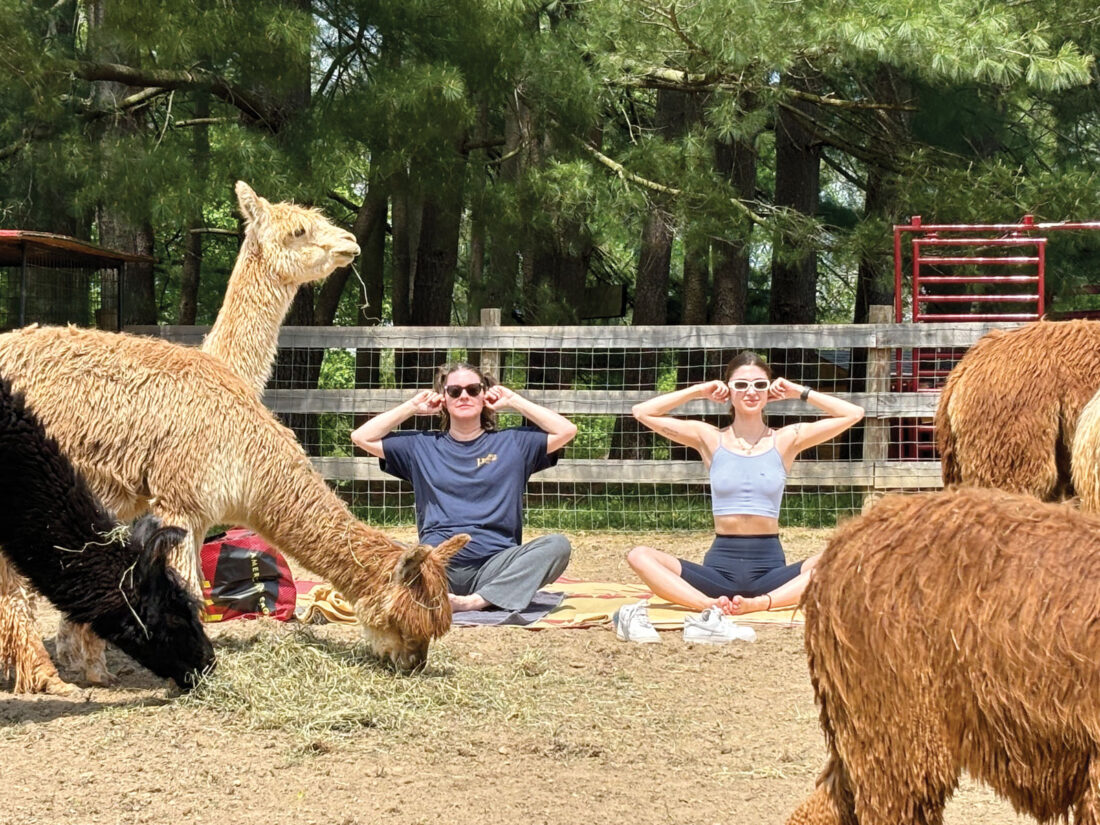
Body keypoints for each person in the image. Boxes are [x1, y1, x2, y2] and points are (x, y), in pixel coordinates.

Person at [620, 351, 863, 638]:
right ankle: (708, 605)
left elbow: (853, 414)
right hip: (718, 572)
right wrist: (699, 391)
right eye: (741, 385)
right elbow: (642, 412)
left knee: (844, 556)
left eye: (760, 385)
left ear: (770, 390)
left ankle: (762, 603)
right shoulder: (709, 437)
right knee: (639, 555)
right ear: (728, 390)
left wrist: (798, 391)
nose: (751, 392)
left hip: (769, 573)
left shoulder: (786, 439)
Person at [351, 362, 578, 613]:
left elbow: (566, 430)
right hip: (434, 566)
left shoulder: (514, 442)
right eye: (454, 391)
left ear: (485, 395)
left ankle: (476, 601)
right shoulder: (420, 446)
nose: (464, 396)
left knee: (557, 546)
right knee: (367, 547)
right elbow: (361, 437)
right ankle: (434, 592)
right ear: (443, 398)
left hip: (495, 567)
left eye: (473, 389)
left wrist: (514, 400)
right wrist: (412, 407)